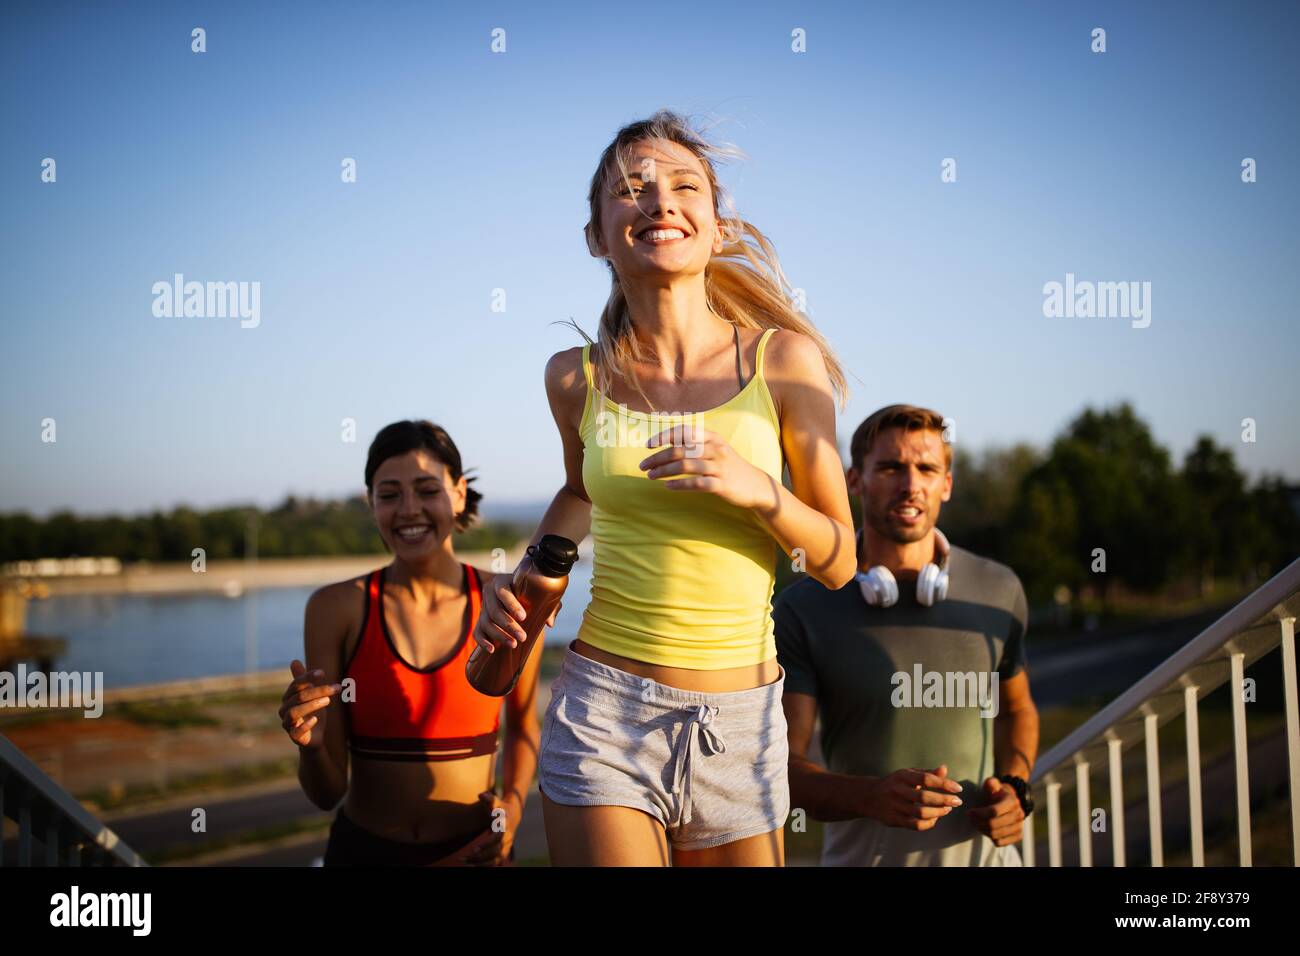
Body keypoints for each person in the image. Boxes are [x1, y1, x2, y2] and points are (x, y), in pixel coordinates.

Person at [472, 110, 858, 866]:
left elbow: (840, 562)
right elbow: (580, 490)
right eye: (631, 189)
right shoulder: (572, 376)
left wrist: (760, 491)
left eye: (684, 186)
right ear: (596, 235)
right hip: (605, 708)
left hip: (741, 719)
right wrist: (530, 574)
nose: (658, 201)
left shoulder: (784, 363)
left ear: (717, 227)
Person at [775, 404, 1040, 866]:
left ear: (947, 484)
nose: (910, 484)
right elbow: (784, 769)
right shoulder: (804, 607)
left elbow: (1017, 708)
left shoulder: (1000, 590)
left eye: (927, 468)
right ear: (854, 480)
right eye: (891, 467)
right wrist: (870, 796)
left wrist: (1015, 788)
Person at [278, 420, 543, 866]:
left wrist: (512, 812)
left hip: (476, 853)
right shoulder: (334, 609)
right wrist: (311, 746)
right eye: (389, 495)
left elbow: (522, 727)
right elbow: (327, 793)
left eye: (426, 490)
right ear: (371, 503)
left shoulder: (504, 603)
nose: (408, 510)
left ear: (458, 494)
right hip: (363, 853)